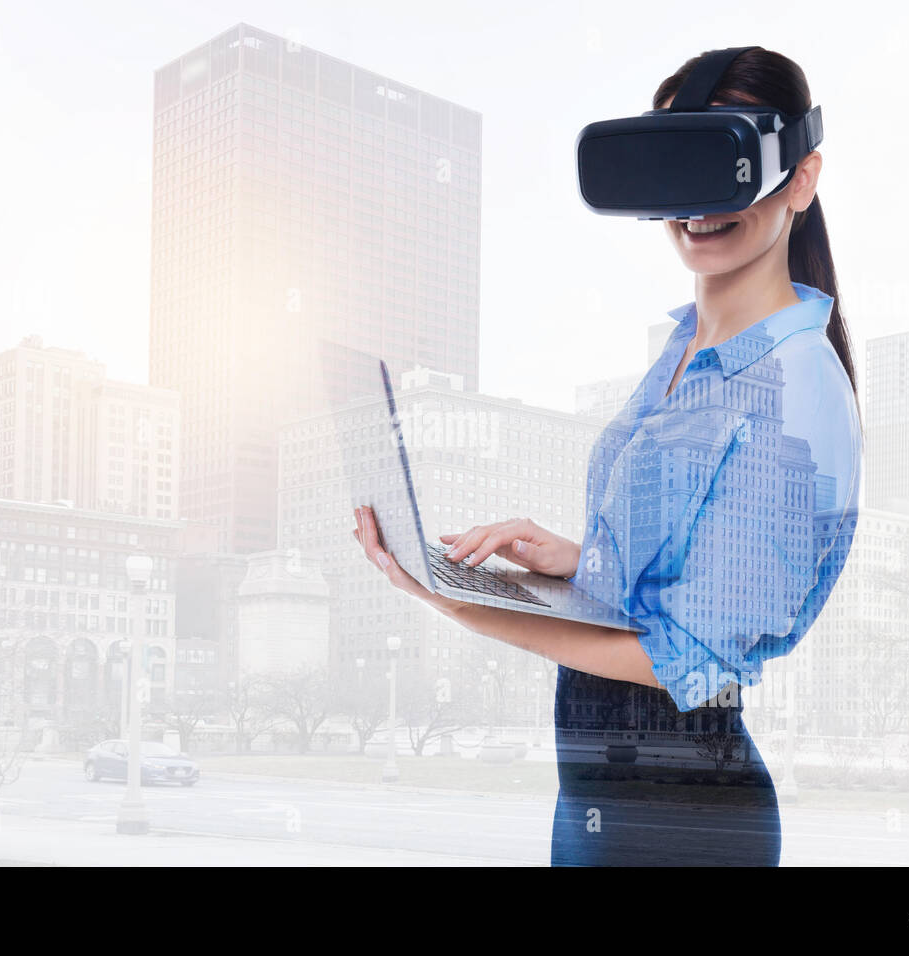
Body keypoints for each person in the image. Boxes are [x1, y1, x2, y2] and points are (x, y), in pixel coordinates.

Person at [352, 46, 862, 866]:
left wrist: (461, 605)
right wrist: (576, 561)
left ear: (801, 178)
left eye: (719, 164)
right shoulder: (683, 351)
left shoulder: (797, 389)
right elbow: (687, 580)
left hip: (685, 810)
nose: (694, 205)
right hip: (599, 792)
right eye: (673, 166)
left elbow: (690, 658)